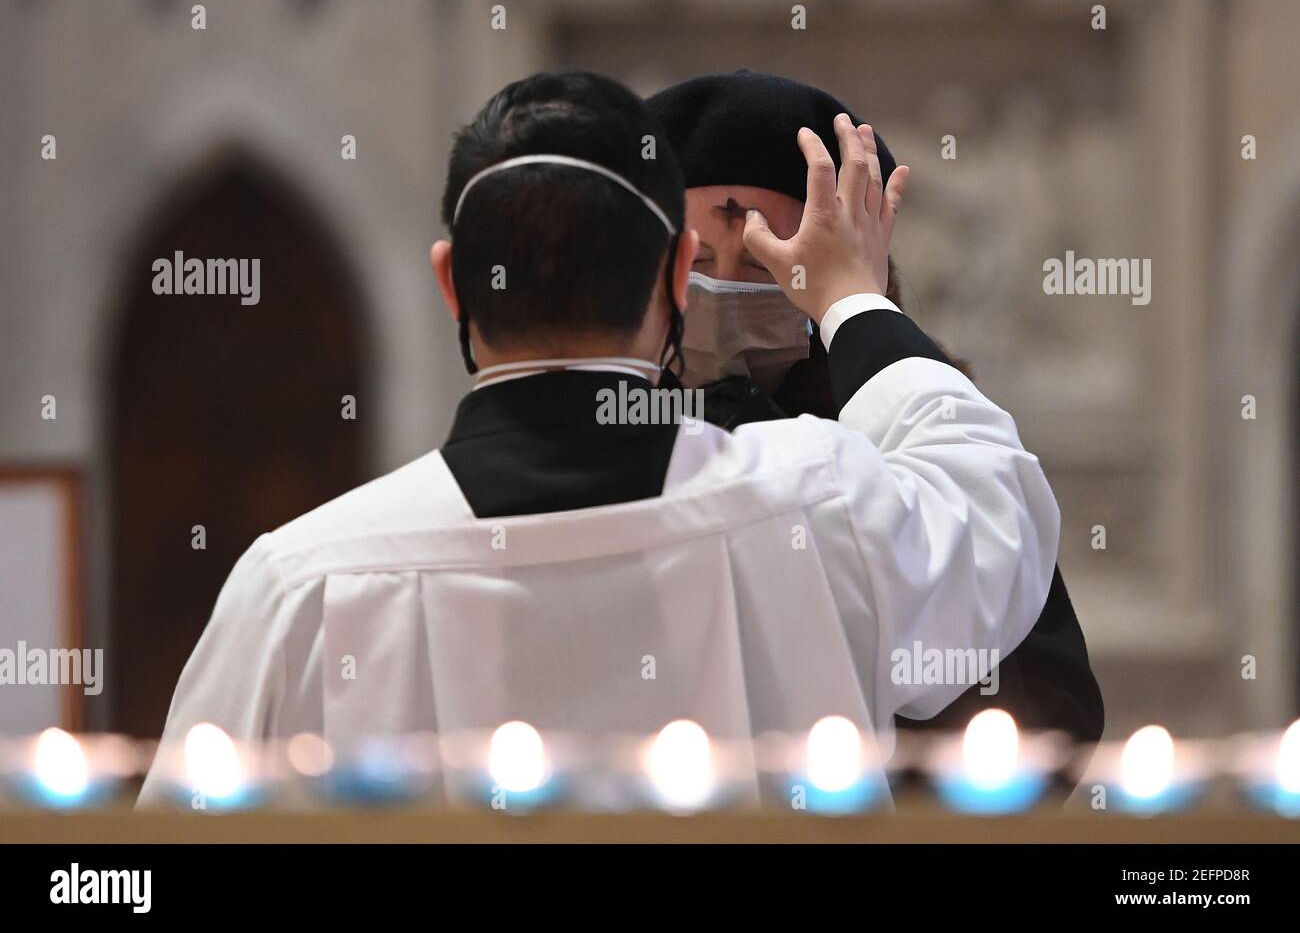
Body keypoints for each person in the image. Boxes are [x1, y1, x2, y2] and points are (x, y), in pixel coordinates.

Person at [138, 70, 1059, 806]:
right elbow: (993, 505)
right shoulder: (820, 505)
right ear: (676, 276)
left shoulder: (297, 584)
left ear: (452, 284)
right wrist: (855, 297)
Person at [647, 70, 1104, 749]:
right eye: (698, 263)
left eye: (768, 263)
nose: (721, 289)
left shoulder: (918, 423)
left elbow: (1042, 704)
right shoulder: (608, 424)